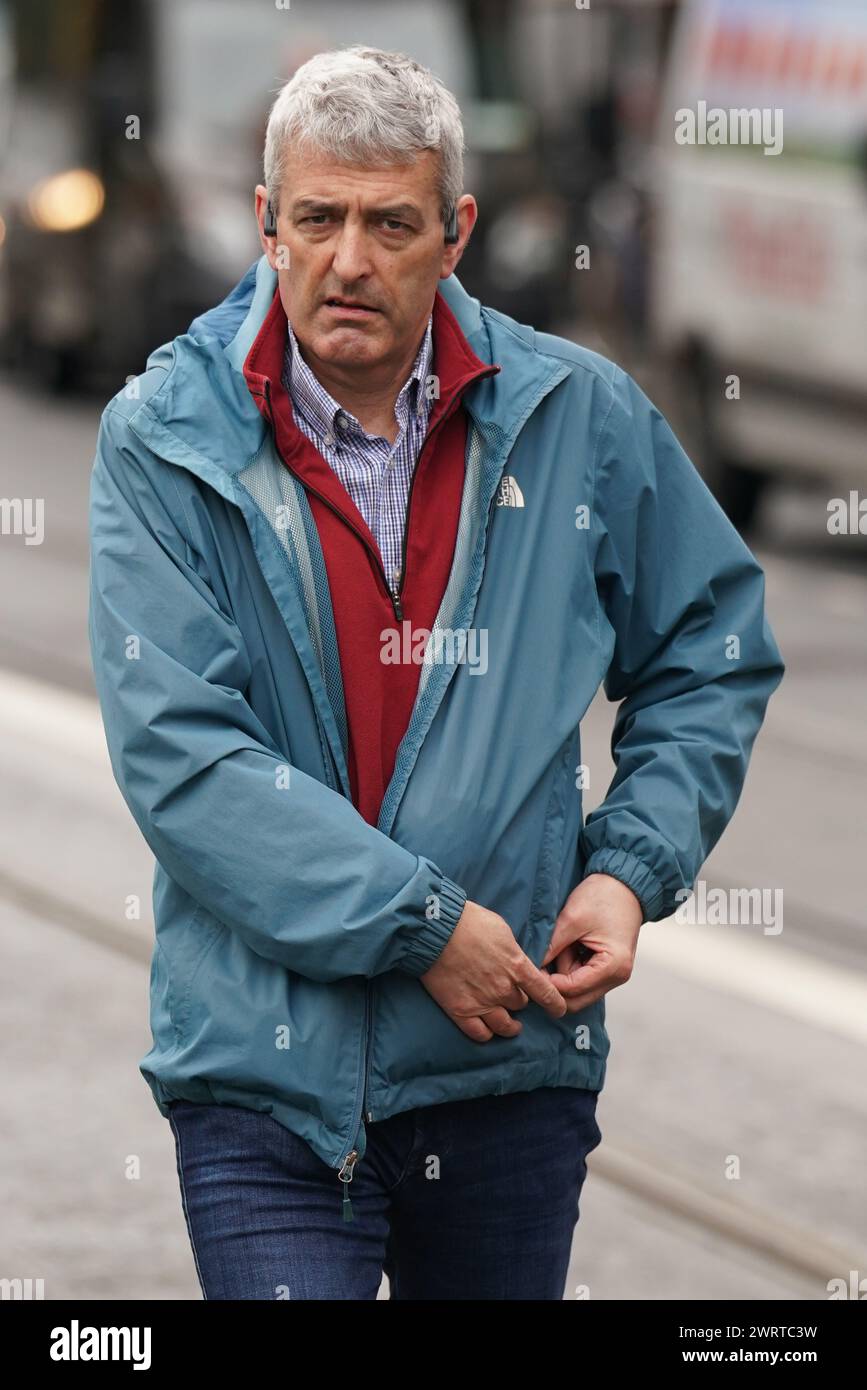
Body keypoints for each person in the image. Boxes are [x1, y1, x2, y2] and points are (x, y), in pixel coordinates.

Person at [87, 46, 785, 1300]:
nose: (350, 259)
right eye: (319, 218)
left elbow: (712, 648)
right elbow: (183, 757)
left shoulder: (583, 417)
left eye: (391, 222)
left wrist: (630, 869)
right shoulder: (163, 439)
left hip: (504, 1073)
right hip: (264, 1086)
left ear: (455, 232)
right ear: (267, 225)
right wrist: (421, 926)